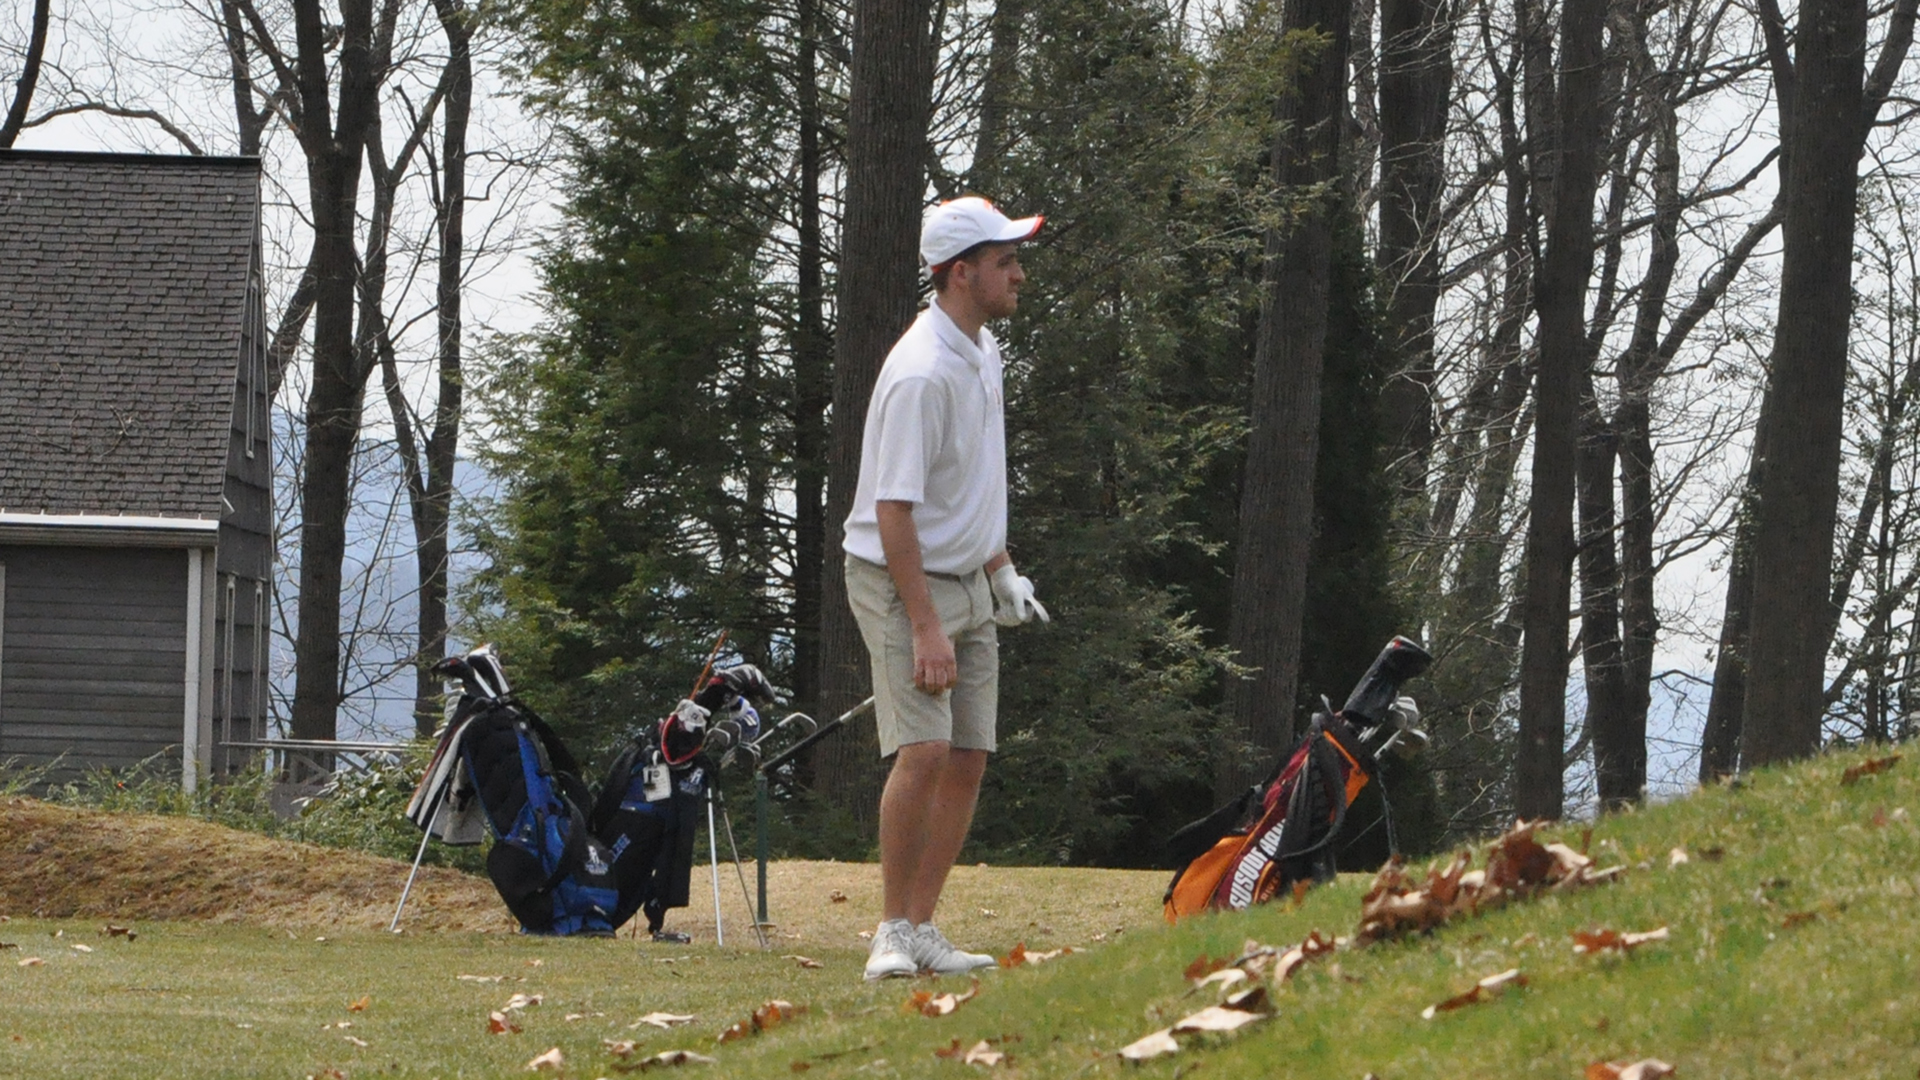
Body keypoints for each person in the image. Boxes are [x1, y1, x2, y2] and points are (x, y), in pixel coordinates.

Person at [843, 196, 1050, 980]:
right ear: (962, 274)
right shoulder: (920, 372)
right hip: (901, 582)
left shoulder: (982, 348)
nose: (1018, 274)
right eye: (1005, 262)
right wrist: (927, 627)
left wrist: (1001, 570)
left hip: (969, 576)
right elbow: (893, 511)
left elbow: (971, 483)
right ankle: (890, 931)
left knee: (969, 753)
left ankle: (923, 928)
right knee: (924, 748)